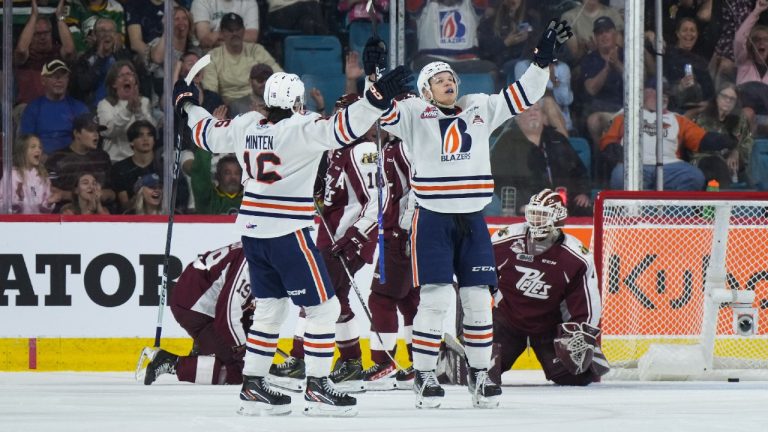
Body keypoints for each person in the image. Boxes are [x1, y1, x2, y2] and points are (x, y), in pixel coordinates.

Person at [174, 50, 412, 415]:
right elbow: (344, 128)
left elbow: (205, 134)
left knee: (270, 308)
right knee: (324, 308)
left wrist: (187, 103)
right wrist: (376, 99)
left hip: (253, 233)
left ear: (265, 100)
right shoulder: (303, 128)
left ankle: (253, 386)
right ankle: (318, 387)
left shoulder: (246, 125)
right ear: (298, 101)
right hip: (289, 233)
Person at [371, 19, 572, 409]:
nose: (449, 82)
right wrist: (375, 80)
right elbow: (378, 109)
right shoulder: (413, 113)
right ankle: (425, 374)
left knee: (479, 301)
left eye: (450, 77)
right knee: (434, 300)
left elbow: (523, 94)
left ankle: (480, 374)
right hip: (432, 220)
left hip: (472, 220)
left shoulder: (481, 107)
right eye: (439, 79)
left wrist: (542, 59)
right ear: (426, 91)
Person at [488, 189, 608, 386]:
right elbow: (479, 275)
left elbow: (587, 304)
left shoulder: (577, 257)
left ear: (558, 218)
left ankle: (589, 360)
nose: (536, 221)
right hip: (507, 321)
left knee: (577, 377)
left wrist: (582, 335)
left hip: (548, 327)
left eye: (542, 216)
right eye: (533, 214)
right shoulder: (504, 240)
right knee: (480, 371)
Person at [142, 242, 255, 385]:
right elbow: (227, 316)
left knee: (240, 346)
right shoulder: (251, 263)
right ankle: (172, 362)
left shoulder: (251, 247)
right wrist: (243, 353)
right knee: (239, 372)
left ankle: (202, 350)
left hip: (195, 296)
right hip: (195, 307)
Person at [600, 78, 736, 191]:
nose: (664, 96)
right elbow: (607, 141)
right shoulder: (626, 114)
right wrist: (619, 154)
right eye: (658, 92)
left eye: (666, 93)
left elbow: (702, 139)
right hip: (636, 165)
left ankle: (675, 220)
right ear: (644, 92)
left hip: (670, 166)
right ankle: (639, 217)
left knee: (694, 177)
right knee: (620, 176)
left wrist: (728, 140)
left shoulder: (677, 118)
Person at [490, 101, 590, 216]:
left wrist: (583, 193)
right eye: (527, 111)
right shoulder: (506, 143)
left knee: (585, 209)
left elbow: (579, 171)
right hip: (526, 207)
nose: (533, 114)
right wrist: (519, 205)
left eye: (536, 110)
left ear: (543, 116)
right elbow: (500, 180)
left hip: (561, 206)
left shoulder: (557, 139)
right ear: (517, 118)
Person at [201, 13, 283, 104]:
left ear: (244, 30)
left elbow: (279, 74)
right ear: (222, 33)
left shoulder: (256, 50)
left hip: (260, 100)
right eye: (230, 30)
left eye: (238, 29)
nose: (235, 33)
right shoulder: (213, 56)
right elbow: (211, 91)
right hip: (231, 104)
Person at [46, 113, 115, 210]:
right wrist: (82, 197)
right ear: (76, 133)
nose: (96, 135)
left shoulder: (103, 157)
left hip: (99, 212)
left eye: (97, 131)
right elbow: (51, 192)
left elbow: (112, 193)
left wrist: (90, 196)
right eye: (91, 130)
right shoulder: (56, 158)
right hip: (67, 212)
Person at [690, 82, 754, 187]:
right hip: (703, 159)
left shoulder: (740, 119)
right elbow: (698, 144)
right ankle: (723, 201)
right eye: (724, 96)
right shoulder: (703, 116)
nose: (728, 101)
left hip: (731, 164)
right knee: (716, 164)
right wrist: (728, 151)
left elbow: (747, 141)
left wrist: (737, 151)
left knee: (749, 182)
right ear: (717, 97)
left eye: (732, 99)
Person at [19, 60, 90, 155]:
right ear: (43, 80)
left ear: (68, 80)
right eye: (54, 76)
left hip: (72, 162)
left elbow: (87, 142)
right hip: (42, 162)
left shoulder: (80, 108)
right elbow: (26, 143)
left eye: (63, 76)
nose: (59, 80)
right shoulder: (32, 109)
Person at [14, 0, 75, 106]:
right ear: (31, 35)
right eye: (37, 33)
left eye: (46, 32)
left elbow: (69, 50)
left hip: (56, 105)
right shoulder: (26, 56)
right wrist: (34, 16)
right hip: (28, 106)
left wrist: (59, 17)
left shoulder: (57, 51)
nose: (42, 37)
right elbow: (21, 50)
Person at [97, 60, 156, 163]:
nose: (126, 78)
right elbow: (107, 131)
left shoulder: (144, 101)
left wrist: (138, 111)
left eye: (129, 74)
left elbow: (150, 130)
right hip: (115, 160)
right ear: (114, 84)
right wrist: (128, 110)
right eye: (121, 75)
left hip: (140, 159)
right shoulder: (105, 104)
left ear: (135, 80)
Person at [2, 134, 60, 214]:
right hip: (16, 224)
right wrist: (18, 200)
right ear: (22, 151)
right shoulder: (11, 174)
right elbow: (3, 205)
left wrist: (49, 203)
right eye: (33, 147)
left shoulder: (43, 176)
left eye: (40, 147)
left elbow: (45, 211)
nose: (38, 150)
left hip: (37, 224)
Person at [734, 0, 768, 136]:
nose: (761, 43)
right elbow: (739, 39)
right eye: (757, 39)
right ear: (751, 44)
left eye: (766, 39)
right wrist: (757, 11)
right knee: (748, 113)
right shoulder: (744, 62)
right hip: (746, 114)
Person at [110, 120, 160, 212]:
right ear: (131, 142)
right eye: (140, 136)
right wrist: (140, 194)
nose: (146, 139)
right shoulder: (120, 169)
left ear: (154, 140)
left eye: (149, 135)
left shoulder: (164, 166)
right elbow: (125, 206)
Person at [188, 150, 244, 215]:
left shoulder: (249, 199)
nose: (233, 177)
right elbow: (200, 170)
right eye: (227, 173)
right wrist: (208, 143)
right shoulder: (208, 199)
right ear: (218, 175)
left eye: (237, 173)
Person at [191, 0, 261, 49]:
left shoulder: (249, 2)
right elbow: (205, 40)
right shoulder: (201, 1)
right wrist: (236, 37)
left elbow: (252, 37)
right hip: (208, 53)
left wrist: (217, 35)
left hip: (241, 53)